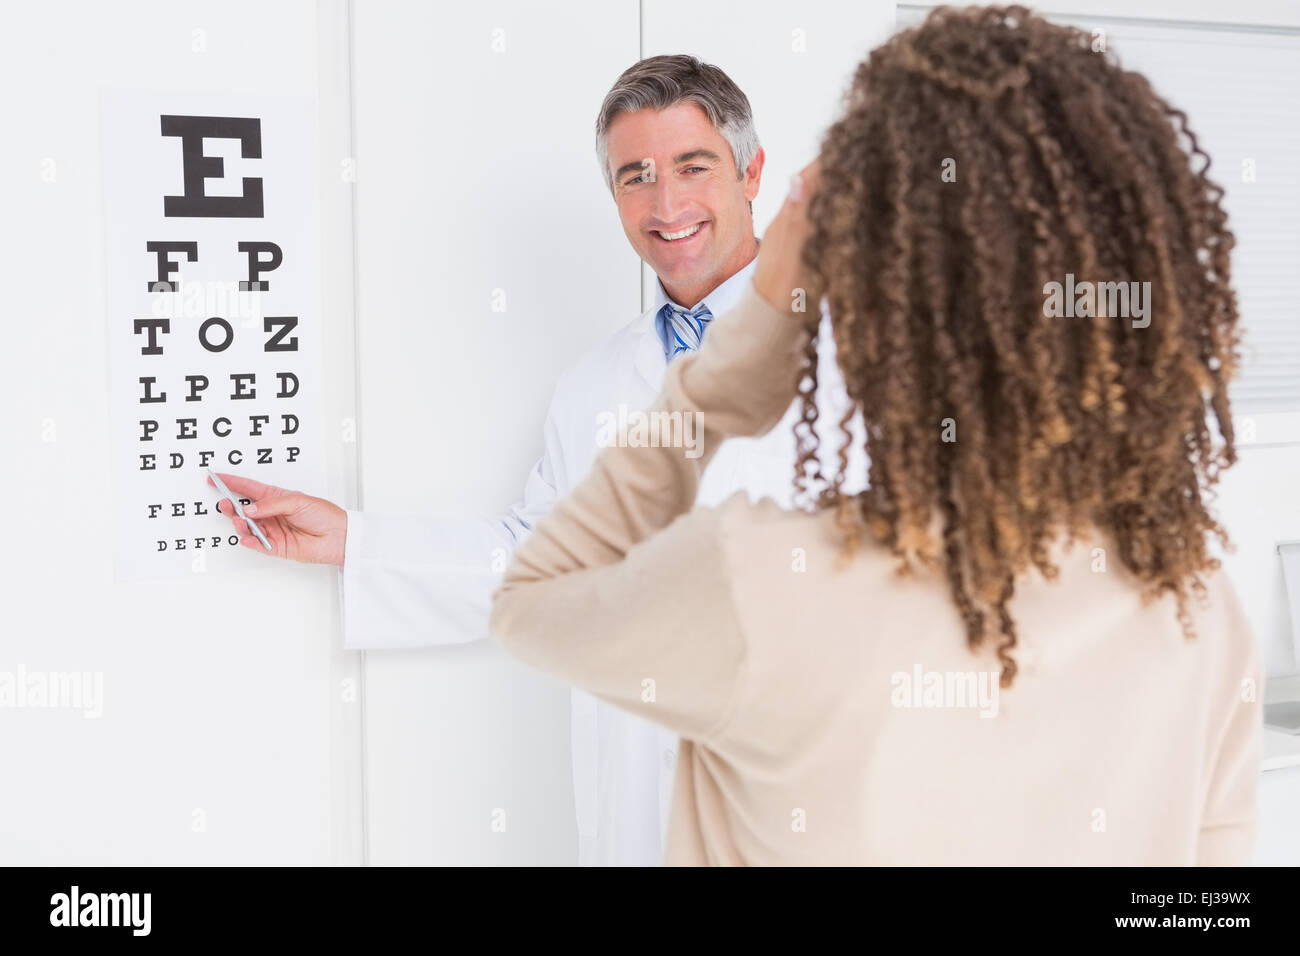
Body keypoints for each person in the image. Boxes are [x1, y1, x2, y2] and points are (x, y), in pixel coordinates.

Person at [488, 5, 1263, 865]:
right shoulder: (1198, 608)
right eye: (635, 176)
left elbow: (535, 601)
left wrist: (732, 369)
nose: (664, 201)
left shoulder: (770, 580)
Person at [208, 55, 857, 865]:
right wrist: (354, 541)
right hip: (642, 808)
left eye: (694, 167)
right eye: (636, 176)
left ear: (751, 170)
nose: (667, 204)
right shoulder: (593, 386)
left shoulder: (855, 349)